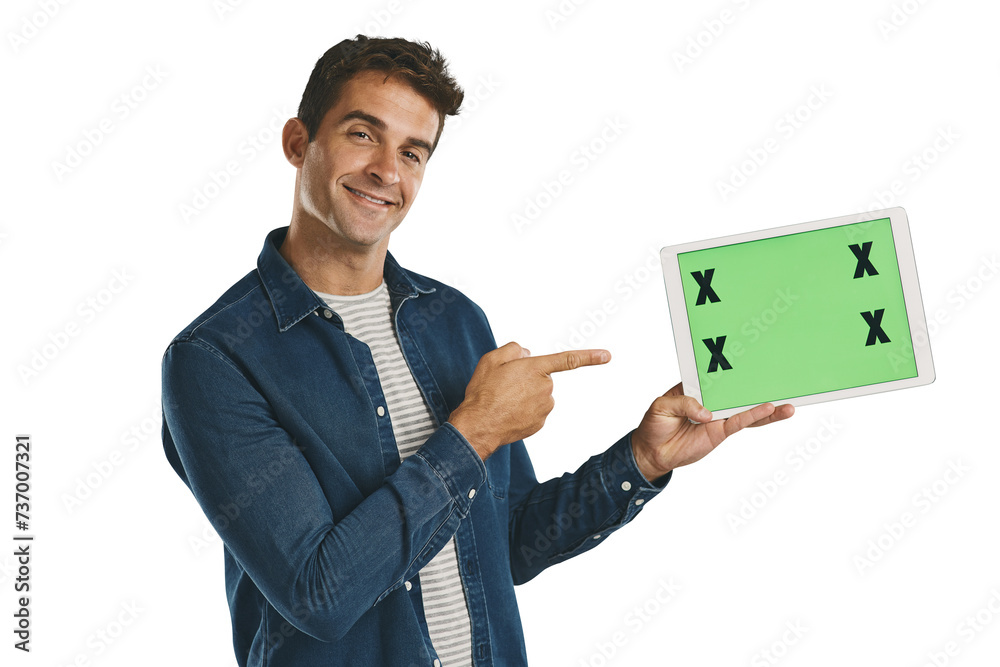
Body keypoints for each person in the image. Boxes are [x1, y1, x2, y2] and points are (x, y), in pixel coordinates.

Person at [160, 35, 793, 667]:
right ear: (299, 143)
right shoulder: (214, 360)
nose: (388, 170)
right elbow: (320, 594)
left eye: (413, 152)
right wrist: (475, 430)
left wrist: (643, 458)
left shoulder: (452, 320)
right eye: (362, 134)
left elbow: (510, 539)